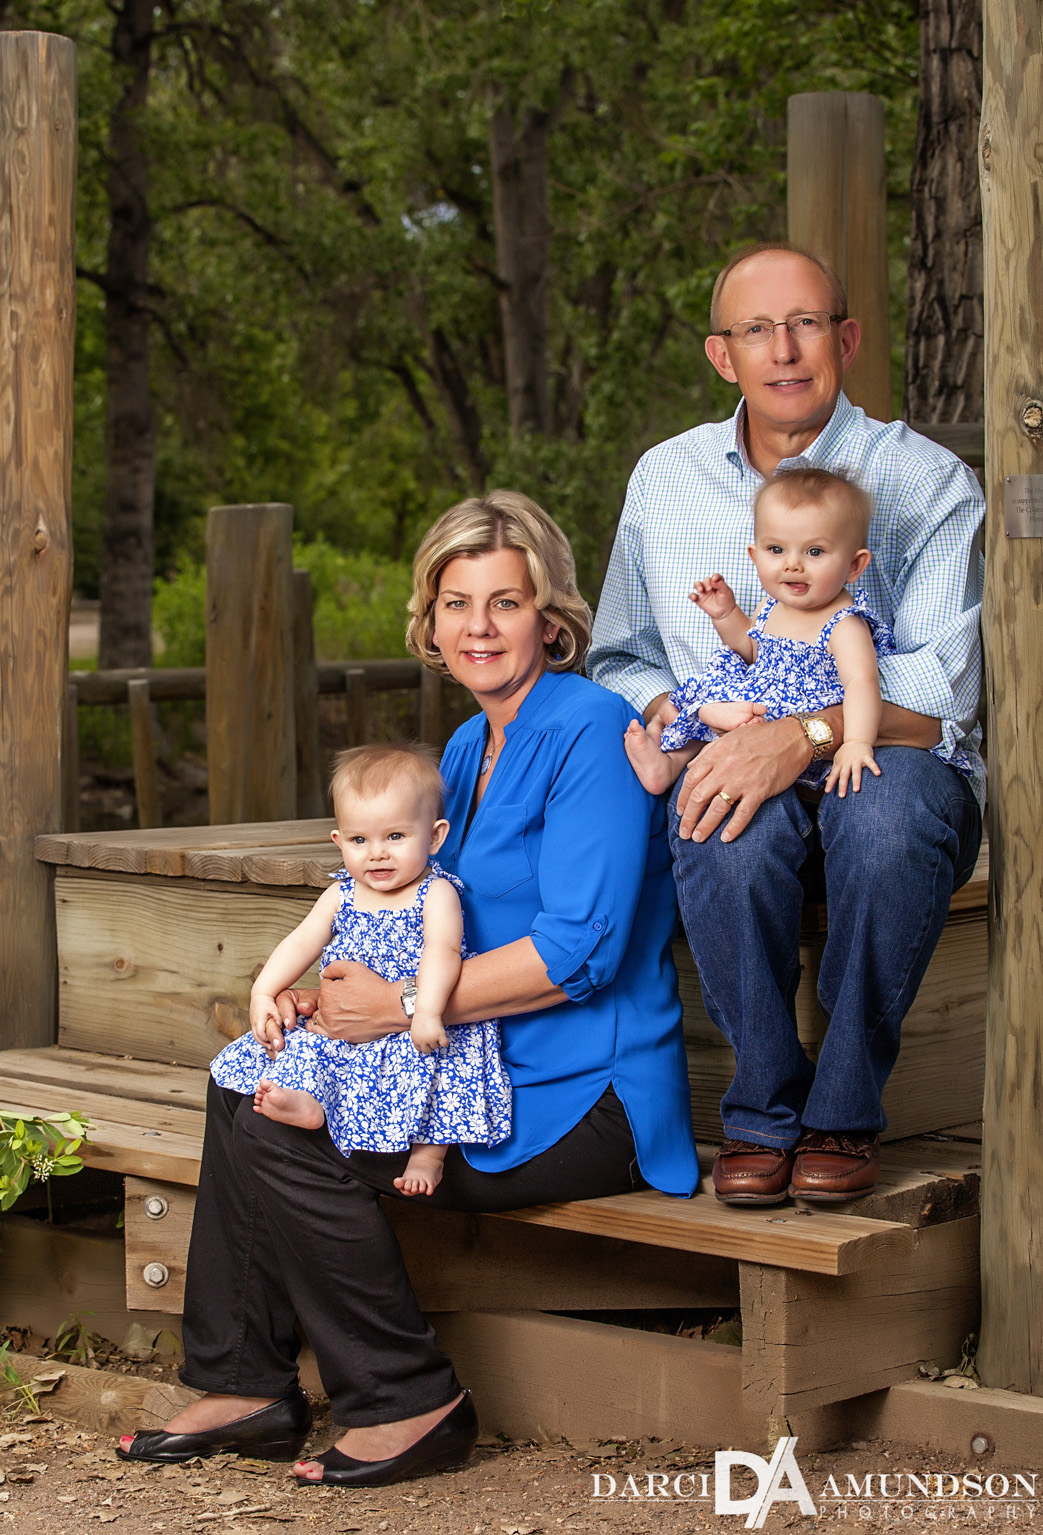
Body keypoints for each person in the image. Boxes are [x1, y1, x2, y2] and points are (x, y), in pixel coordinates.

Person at [116, 489, 699, 1485]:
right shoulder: (468, 748)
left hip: (578, 1090)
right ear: (427, 622)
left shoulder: (591, 731)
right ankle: (245, 1379)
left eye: (505, 602)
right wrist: (327, 1000)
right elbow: (424, 916)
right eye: (455, 601)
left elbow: (580, 953)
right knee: (243, 1079)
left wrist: (390, 1011)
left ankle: (407, 1394)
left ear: (549, 616)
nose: (478, 626)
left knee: (279, 1123)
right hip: (465, 1060)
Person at [589, 242, 984, 1207]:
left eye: (806, 322)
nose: (785, 347)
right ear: (723, 356)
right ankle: (763, 1110)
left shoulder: (925, 483)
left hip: (889, 759)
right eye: (757, 329)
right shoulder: (665, 478)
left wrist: (801, 736)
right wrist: (668, 719)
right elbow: (622, 652)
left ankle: (842, 1111)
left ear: (844, 339)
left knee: (884, 822)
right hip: (725, 751)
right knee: (720, 825)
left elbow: (940, 698)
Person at [208, 743, 511, 1198]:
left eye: (395, 837)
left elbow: (444, 951)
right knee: (308, 1046)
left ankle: (428, 1157)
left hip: (415, 1021)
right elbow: (300, 942)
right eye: (359, 840)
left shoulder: (436, 894)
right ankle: (310, 1103)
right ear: (339, 841)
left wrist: (427, 1011)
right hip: (349, 1025)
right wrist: (264, 991)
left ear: (434, 837)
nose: (377, 855)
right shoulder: (342, 895)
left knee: (440, 1069)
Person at [623, 467, 896, 801]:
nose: (793, 564)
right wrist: (725, 614)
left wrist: (856, 742)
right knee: (707, 698)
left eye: (814, 552)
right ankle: (667, 764)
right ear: (755, 556)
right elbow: (751, 648)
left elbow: (862, 683)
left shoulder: (845, 624)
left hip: (793, 721)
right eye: (777, 550)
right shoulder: (773, 605)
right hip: (758, 710)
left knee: (718, 713)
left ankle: (699, 729)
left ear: (855, 565)